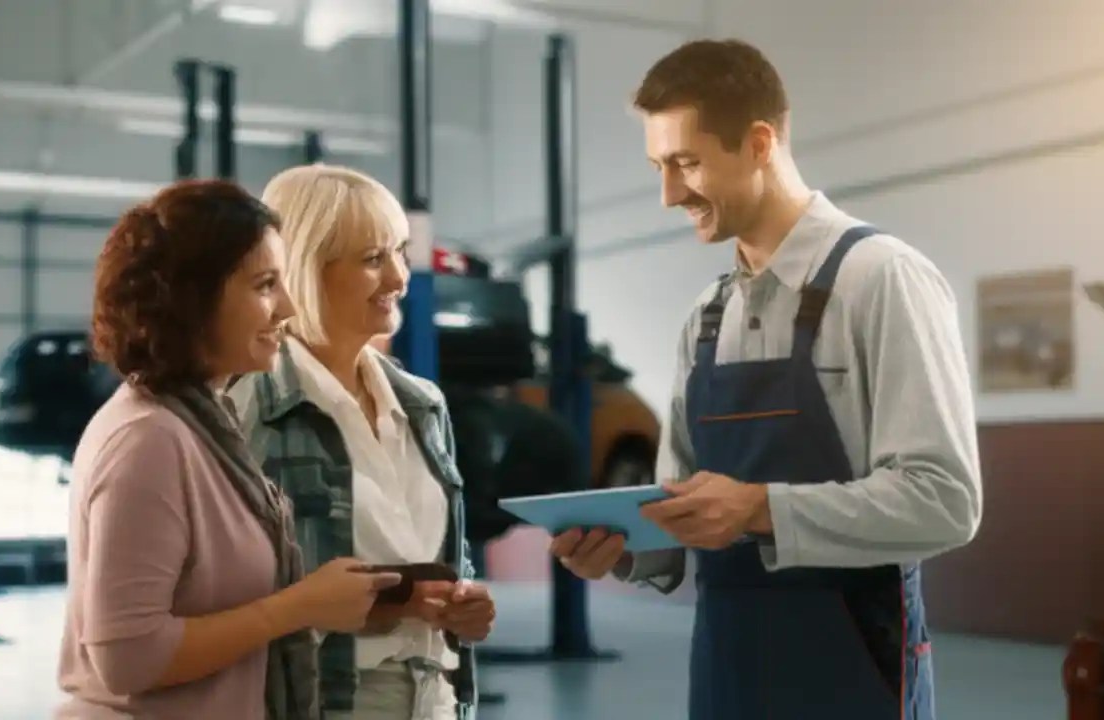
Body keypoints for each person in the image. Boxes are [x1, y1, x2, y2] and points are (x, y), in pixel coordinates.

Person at [550, 38, 983, 719]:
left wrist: (758, 509)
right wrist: (616, 550)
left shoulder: (882, 280)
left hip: (856, 669)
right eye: (659, 167)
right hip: (729, 667)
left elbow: (946, 500)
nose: (668, 195)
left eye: (686, 163)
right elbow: (675, 513)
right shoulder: (704, 318)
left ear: (758, 142)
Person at [56, 179, 403, 720]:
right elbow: (127, 657)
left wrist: (334, 606)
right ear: (191, 300)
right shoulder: (148, 439)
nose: (287, 308)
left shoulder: (204, 426)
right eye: (265, 285)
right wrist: (296, 607)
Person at [229, 164, 494, 720]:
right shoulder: (248, 407)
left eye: (400, 252)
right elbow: (222, 597)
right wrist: (380, 608)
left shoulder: (422, 404)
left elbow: (441, 553)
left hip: (437, 698)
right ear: (306, 268)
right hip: (329, 702)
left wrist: (465, 602)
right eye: (375, 259)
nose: (400, 277)